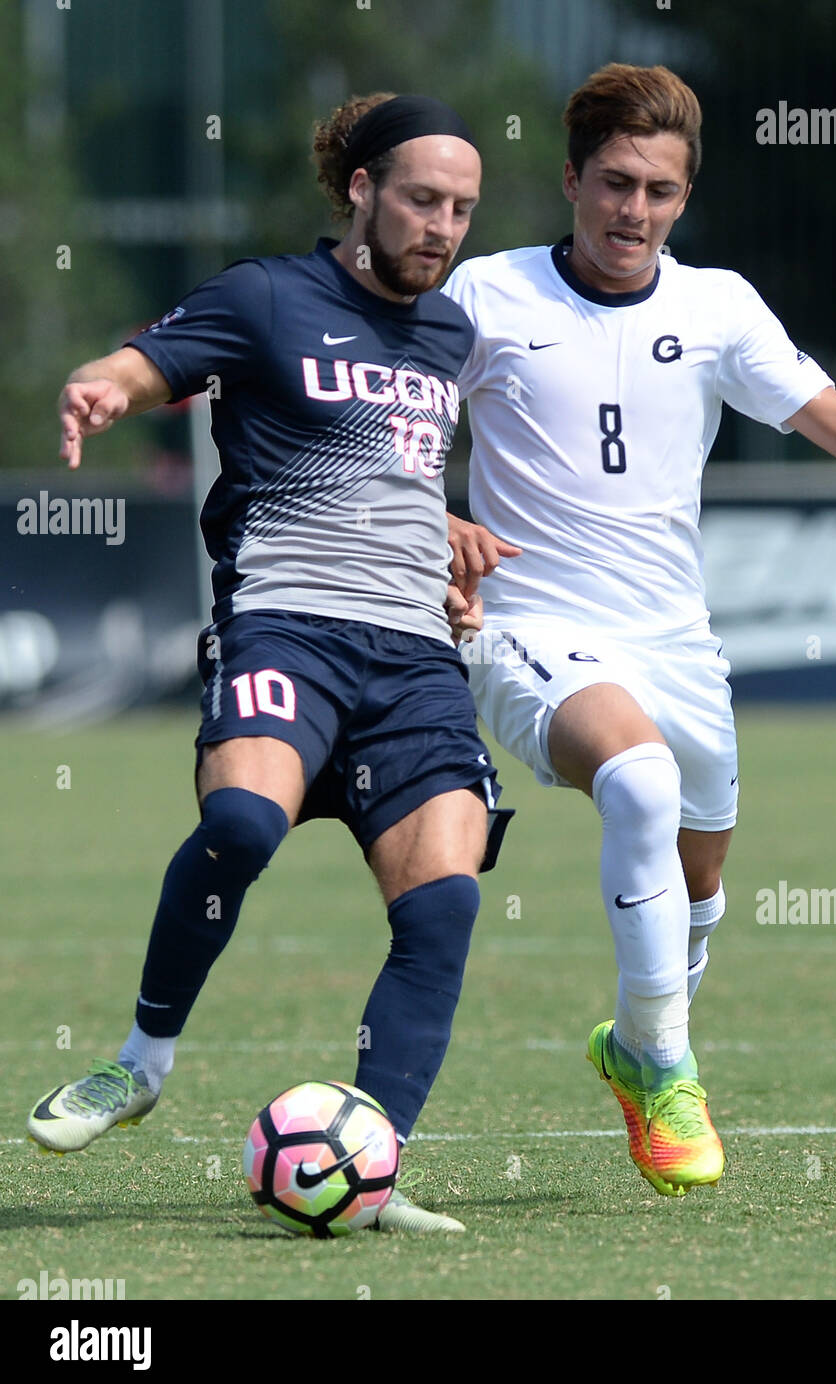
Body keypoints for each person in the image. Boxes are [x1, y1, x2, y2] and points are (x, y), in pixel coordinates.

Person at [443, 63, 836, 1197]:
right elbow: (387, 429)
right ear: (568, 179)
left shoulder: (717, 308)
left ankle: (636, 1037)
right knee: (639, 785)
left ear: (683, 198)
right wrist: (436, 518)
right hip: (531, 628)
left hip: (676, 643)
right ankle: (663, 1068)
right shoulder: (483, 297)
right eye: (612, 183)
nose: (631, 211)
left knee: (698, 895)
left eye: (657, 190)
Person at [28, 92, 509, 1234]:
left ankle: (375, 1161)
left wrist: (447, 533)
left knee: (441, 905)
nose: (442, 226)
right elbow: (152, 361)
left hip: (414, 661)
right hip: (285, 627)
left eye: (462, 209)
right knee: (240, 829)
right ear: (360, 190)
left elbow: (391, 468)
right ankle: (140, 1063)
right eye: (421, 200)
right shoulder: (266, 296)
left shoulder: (448, 333)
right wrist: (105, 383)